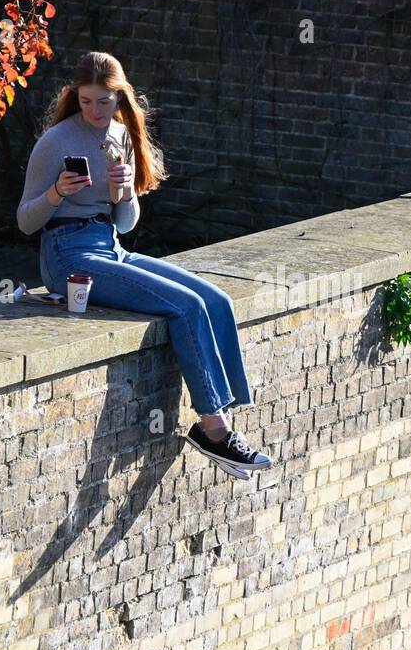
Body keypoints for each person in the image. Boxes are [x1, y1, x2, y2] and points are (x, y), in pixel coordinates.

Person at [16, 51, 273, 479]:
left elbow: (126, 223)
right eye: (86, 101)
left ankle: (227, 414)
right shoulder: (56, 142)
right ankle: (214, 428)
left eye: (104, 101)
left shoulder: (121, 135)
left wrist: (124, 193)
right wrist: (57, 193)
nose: (95, 111)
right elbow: (26, 221)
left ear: (120, 97)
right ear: (75, 98)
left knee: (215, 299)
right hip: (68, 256)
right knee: (185, 306)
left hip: (109, 245)